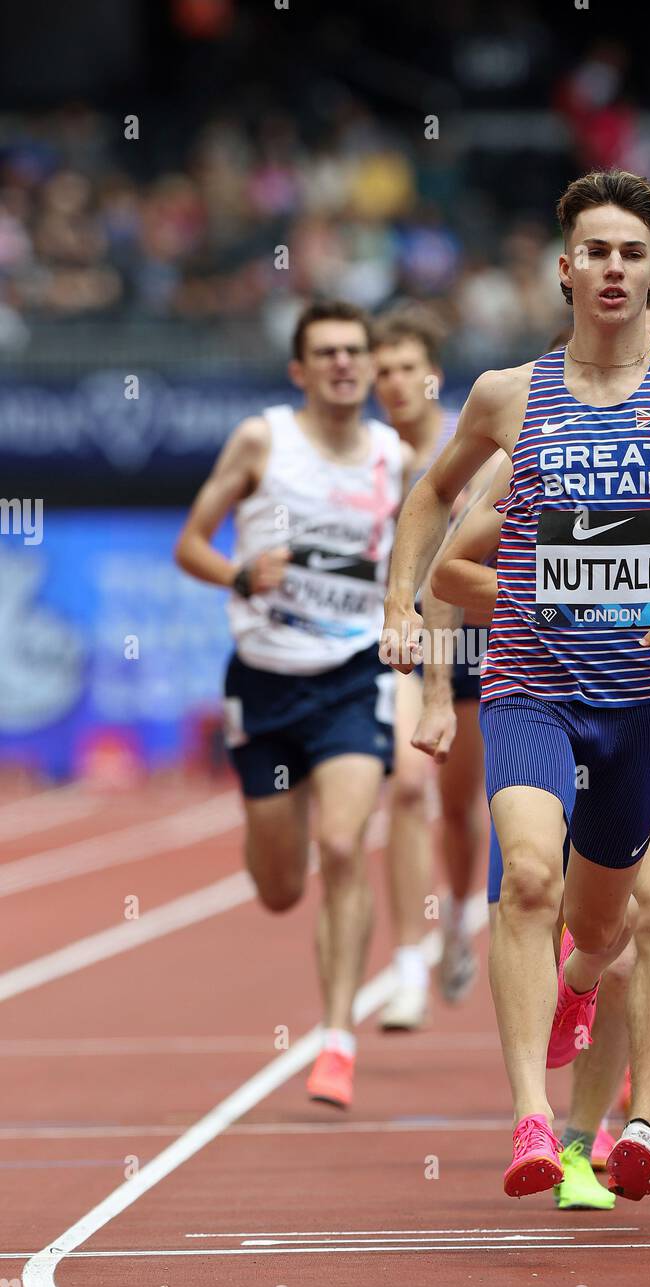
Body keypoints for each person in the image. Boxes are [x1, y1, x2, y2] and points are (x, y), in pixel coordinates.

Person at [381, 170, 650, 1199]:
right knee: (528, 877)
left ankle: (605, 1045)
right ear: (563, 268)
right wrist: (403, 603)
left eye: (631, 254)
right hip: (532, 690)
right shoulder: (508, 395)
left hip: (645, 697)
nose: (613, 269)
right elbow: (430, 500)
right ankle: (533, 1119)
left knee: (609, 923)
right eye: (596, 252)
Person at [430, 275, 650, 1207]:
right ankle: (550, 1114)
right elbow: (450, 568)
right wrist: (549, 594)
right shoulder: (541, 451)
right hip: (548, 703)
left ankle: (627, 1130)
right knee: (569, 913)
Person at [175, 300, 413, 1111]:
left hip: (351, 677)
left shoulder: (393, 454)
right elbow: (191, 544)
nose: (345, 364)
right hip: (267, 683)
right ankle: (267, 833)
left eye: (356, 351)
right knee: (281, 885)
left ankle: (336, 1038)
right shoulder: (261, 440)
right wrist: (241, 575)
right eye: (328, 353)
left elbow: (421, 551)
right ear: (300, 370)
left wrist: (409, 619)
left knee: (344, 845)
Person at [372, 309, 481, 1025]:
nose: (394, 383)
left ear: (432, 374)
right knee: (410, 785)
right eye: (382, 371)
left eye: (408, 368)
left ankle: (454, 925)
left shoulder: (468, 446)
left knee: (461, 807)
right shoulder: (366, 453)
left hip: (473, 641)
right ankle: (408, 961)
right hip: (399, 643)